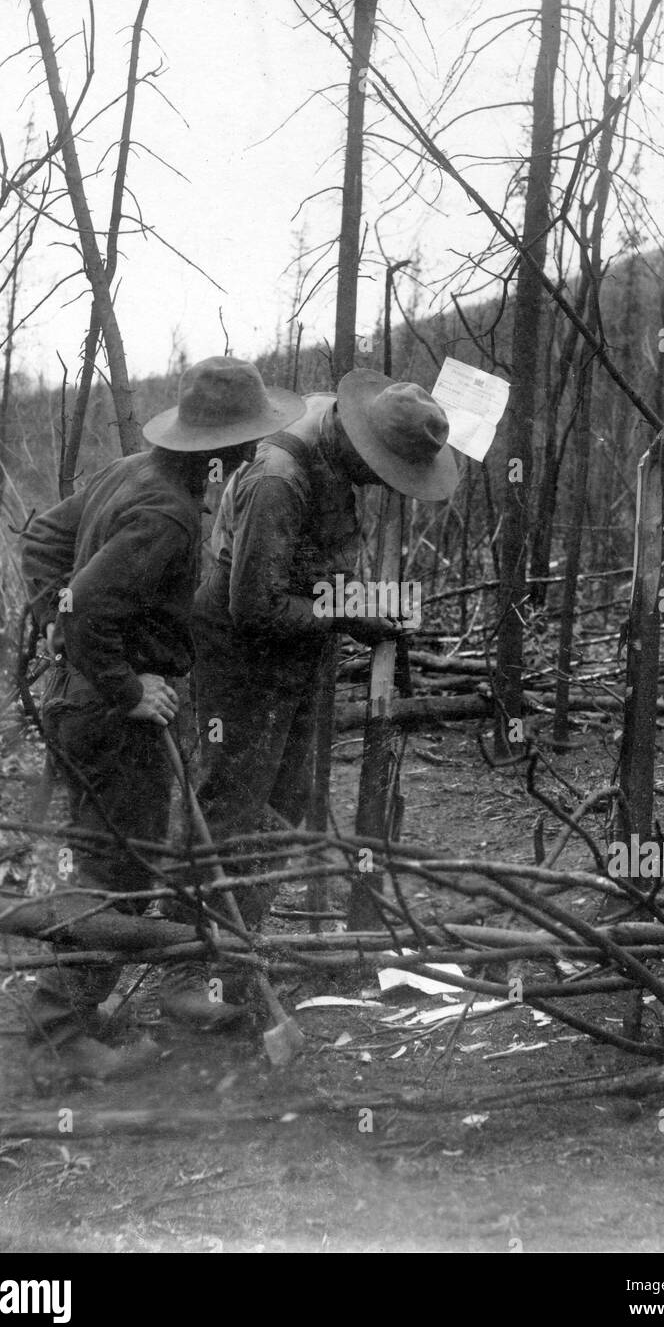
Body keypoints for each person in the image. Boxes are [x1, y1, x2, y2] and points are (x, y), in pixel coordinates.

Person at [21, 357, 303, 1080]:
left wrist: (59, 614)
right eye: (243, 443)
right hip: (107, 719)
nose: (249, 454)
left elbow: (44, 541)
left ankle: (70, 1014)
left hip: (79, 704)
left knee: (111, 859)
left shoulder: (129, 472)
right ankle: (57, 1038)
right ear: (217, 452)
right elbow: (88, 605)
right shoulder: (168, 518)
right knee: (120, 871)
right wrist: (126, 686)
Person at [191, 369, 458, 948]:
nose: (380, 484)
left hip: (296, 640)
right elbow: (256, 609)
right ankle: (206, 954)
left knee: (289, 798)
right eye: (380, 470)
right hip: (244, 651)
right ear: (360, 444)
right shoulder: (280, 477)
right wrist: (341, 614)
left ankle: (244, 936)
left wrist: (348, 607)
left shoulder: (337, 439)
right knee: (238, 799)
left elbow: (310, 578)